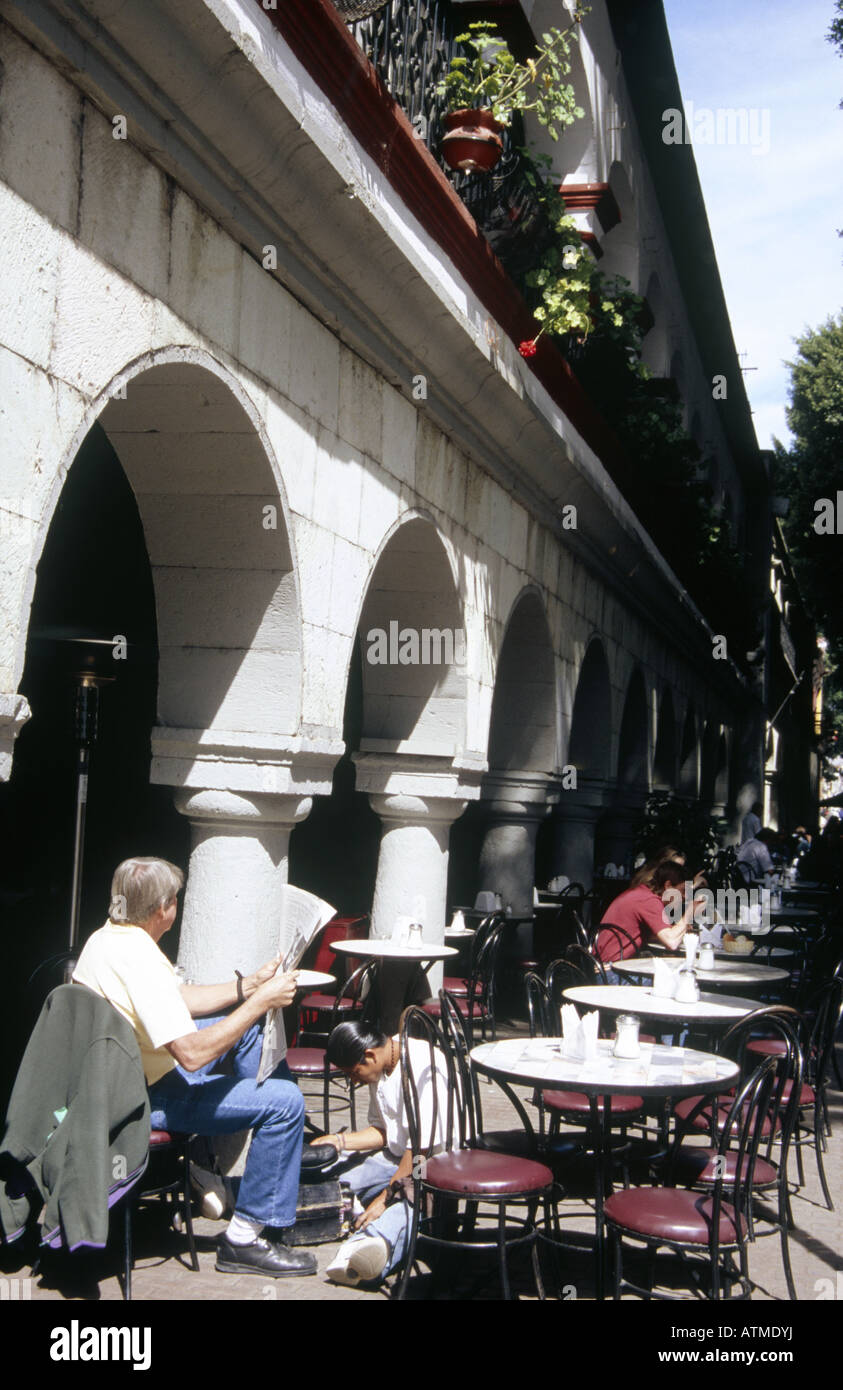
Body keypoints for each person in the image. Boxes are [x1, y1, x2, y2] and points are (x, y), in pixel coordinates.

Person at [72, 856, 317, 1279]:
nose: (176, 908)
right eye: (175, 901)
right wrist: (261, 1002)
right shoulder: (141, 959)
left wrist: (248, 988)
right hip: (146, 1095)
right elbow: (191, 1054)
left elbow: (177, 998)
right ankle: (245, 1237)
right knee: (287, 1102)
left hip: (127, 1074)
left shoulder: (110, 938)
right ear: (162, 909)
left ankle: (269, 1169)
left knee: (246, 1030)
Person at [313, 1018, 450, 1288]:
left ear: (369, 1056)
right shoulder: (382, 1065)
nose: (354, 1081)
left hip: (430, 1161)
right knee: (337, 1182)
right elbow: (383, 1131)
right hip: (396, 1155)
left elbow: (419, 1148)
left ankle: (371, 1244)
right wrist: (340, 1141)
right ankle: (351, 1223)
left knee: (413, 1197)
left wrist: (385, 1198)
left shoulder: (422, 1063)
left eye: (353, 1073)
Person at [593, 859, 706, 964]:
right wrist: (688, 915)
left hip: (608, 965)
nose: (685, 897)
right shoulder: (648, 900)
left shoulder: (644, 893)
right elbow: (672, 943)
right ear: (668, 886)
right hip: (610, 971)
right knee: (679, 977)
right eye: (683, 891)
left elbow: (656, 936)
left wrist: (680, 930)